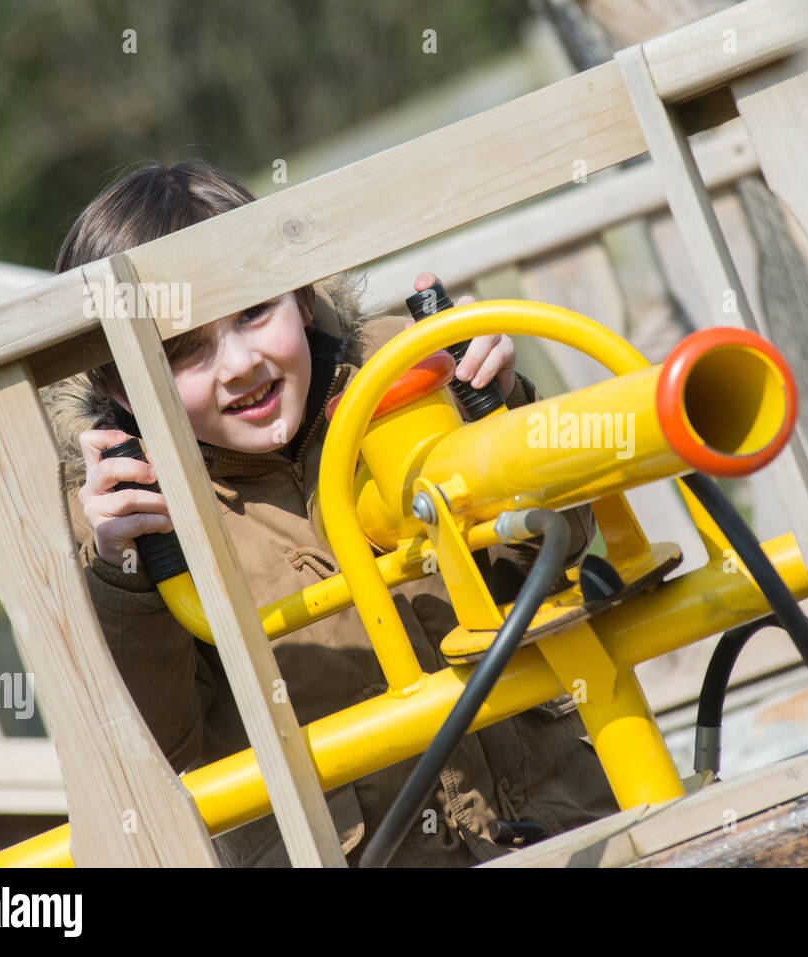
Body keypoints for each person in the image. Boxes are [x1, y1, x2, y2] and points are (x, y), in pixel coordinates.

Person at [42, 159, 620, 866]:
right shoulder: (126, 522)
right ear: (121, 387)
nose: (240, 365)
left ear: (303, 296)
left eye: (255, 311)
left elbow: (541, 563)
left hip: (565, 821)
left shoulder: (404, 374)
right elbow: (161, 746)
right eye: (185, 351)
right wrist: (125, 575)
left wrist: (497, 415)